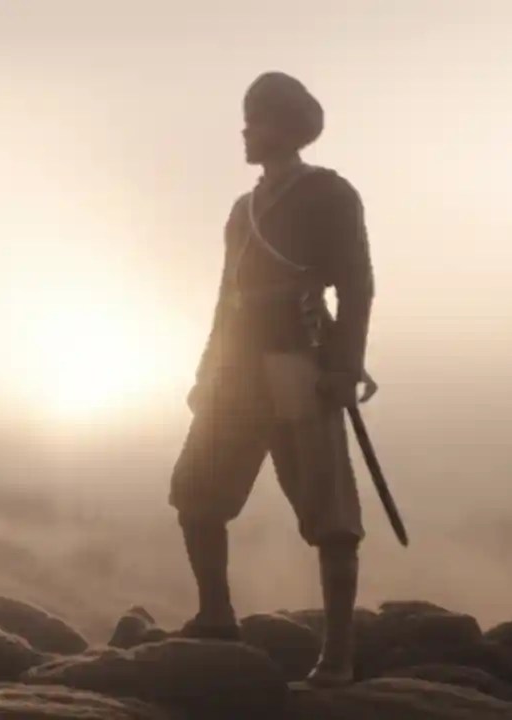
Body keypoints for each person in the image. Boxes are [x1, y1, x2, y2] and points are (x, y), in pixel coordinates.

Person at [169, 71, 376, 687]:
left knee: (327, 509)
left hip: (298, 364)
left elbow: (356, 285)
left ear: (285, 129)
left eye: (255, 119)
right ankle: (216, 616)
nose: (245, 130)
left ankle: (336, 658)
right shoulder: (243, 210)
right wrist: (207, 370)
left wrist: (342, 366)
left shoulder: (330, 195)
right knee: (195, 492)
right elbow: (226, 297)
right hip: (235, 370)